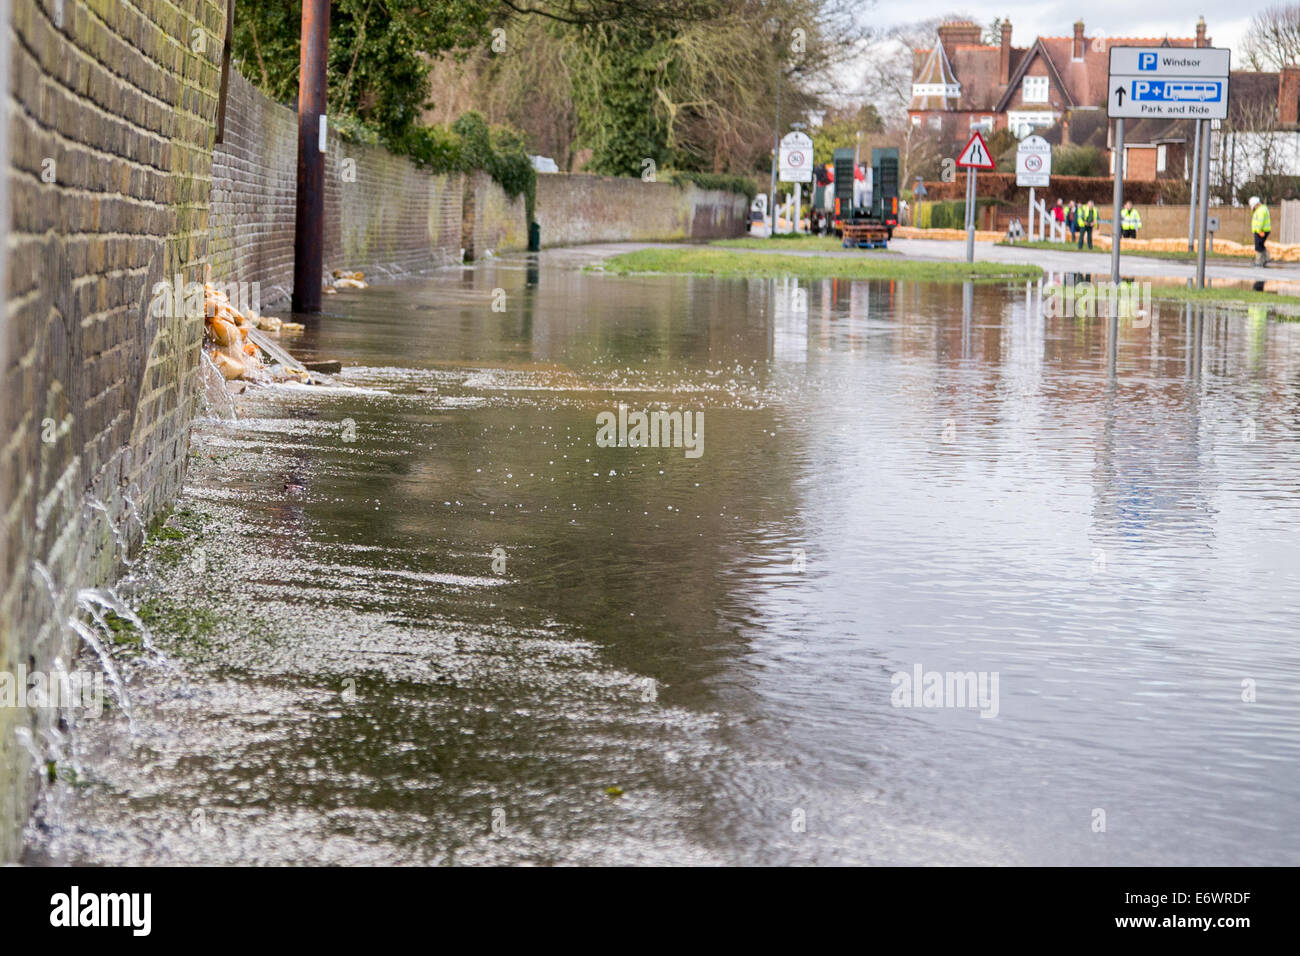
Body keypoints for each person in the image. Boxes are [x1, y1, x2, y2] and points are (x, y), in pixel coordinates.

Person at [1250, 196, 1271, 267]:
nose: (1253, 208)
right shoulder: (1260, 209)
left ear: (1256, 204)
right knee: (1260, 245)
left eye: (1254, 206)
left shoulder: (1261, 210)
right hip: (1261, 230)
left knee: (1258, 246)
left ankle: (1258, 262)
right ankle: (1266, 258)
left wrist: (1259, 230)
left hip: (1261, 231)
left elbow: (1260, 221)